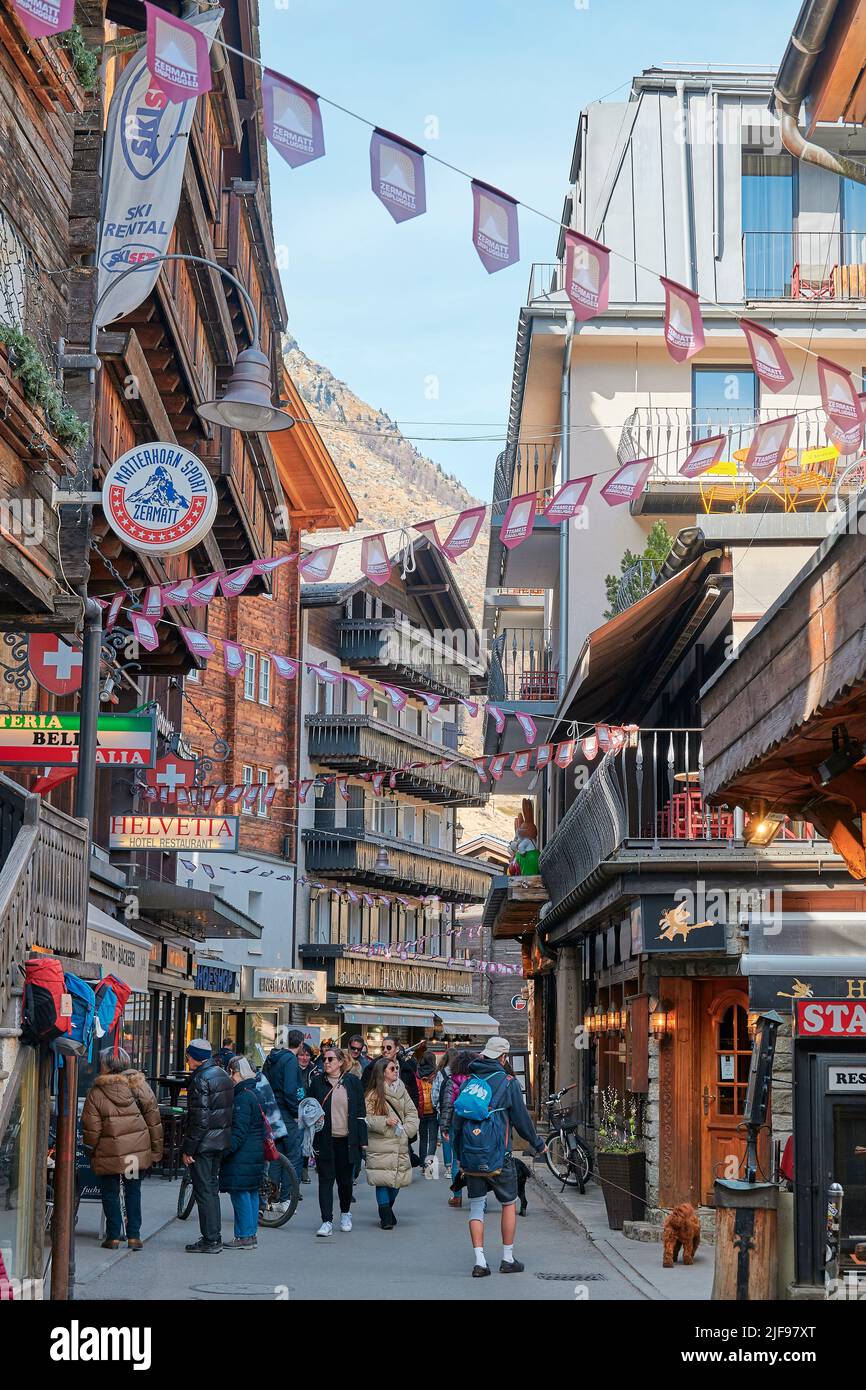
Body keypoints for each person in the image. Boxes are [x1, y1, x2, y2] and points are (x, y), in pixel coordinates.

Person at [450, 1037, 546, 1277]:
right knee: (508, 1204)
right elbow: (522, 1120)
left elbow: (456, 1124)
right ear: (503, 1058)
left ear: (485, 1055)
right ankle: (507, 1258)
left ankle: (480, 1262)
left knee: (476, 1207)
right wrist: (538, 1145)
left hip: (472, 1156)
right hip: (499, 1156)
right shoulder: (509, 1082)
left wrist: (459, 1156)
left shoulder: (469, 1083)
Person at [81, 1048, 163, 1251]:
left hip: (109, 1152)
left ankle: (113, 1236)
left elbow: (92, 1128)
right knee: (133, 1191)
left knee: (110, 1192)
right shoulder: (140, 1086)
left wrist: (90, 1149)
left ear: (106, 1065)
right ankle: (134, 1236)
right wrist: (156, 1150)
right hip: (134, 1153)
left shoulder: (96, 1092)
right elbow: (154, 1120)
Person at [182, 1038, 233, 1254]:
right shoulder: (222, 1074)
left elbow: (199, 1119)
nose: (186, 1060)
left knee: (204, 1190)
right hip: (219, 1141)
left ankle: (211, 1239)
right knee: (211, 1189)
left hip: (203, 1145)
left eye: (188, 1056)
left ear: (194, 1057)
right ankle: (214, 1236)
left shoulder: (201, 1078)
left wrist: (189, 1149)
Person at [309, 1045, 367, 1236]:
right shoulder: (317, 1083)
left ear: (341, 1062)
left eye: (330, 1059)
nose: (326, 1062)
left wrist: (363, 1141)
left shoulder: (352, 1082)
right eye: (325, 1059)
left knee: (345, 1181)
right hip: (324, 1139)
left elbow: (360, 1113)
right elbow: (309, 1108)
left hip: (347, 1140)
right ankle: (326, 1221)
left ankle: (345, 1213)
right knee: (325, 1180)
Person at [364, 1055, 418, 1230]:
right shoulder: (373, 1094)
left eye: (396, 1068)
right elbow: (367, 1118)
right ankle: (385, 1214)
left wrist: (407, 1130)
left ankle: (387, 1210)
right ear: (383, 1073)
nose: (396, 1071)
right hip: (380, 1142)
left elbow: (412, 1112)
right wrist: (384, 1121)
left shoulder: (402, 1090)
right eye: (392, 1069)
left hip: (399, 1140)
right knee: (382, 1180)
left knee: (397, 1181)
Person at [217, 1056, 266, 1250]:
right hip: (254, 1152)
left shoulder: (243, 1096)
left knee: (241, 1194)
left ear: (234, 1072)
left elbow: (239, 1131)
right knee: (251, 1192)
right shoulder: (254, 1091)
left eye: (229, 1072)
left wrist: (224, 1151)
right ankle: (250, 1234)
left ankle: (243, 1236)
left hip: (243, 1154)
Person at [263, 1028, 306, 1208]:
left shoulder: (272, 1058)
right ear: (301, 1044)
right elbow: (290, 1090)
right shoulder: (290, 1061)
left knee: (276, 1154)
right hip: (286, 1112)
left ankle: (271, 1197)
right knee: (294, 1155)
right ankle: (285, 1198)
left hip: (272, 1109)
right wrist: (297, 1112)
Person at [433, 1048, 464, 1205]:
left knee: (454, 1155)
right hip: (469, 1121)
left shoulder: (443, 1075)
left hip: (450, 1118)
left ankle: (457, 1195)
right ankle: (478, 1195)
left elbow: (439, 1097)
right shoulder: (469, 1077)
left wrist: (438, 1112)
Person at [414, 1041, 439, 1175]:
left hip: (421, 1109)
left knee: (423, 1138)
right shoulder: (435, 1073)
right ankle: (429, 1165)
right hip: (433, 1110)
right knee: (433, 1139)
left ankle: (423, 1166)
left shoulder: (417, 1072)